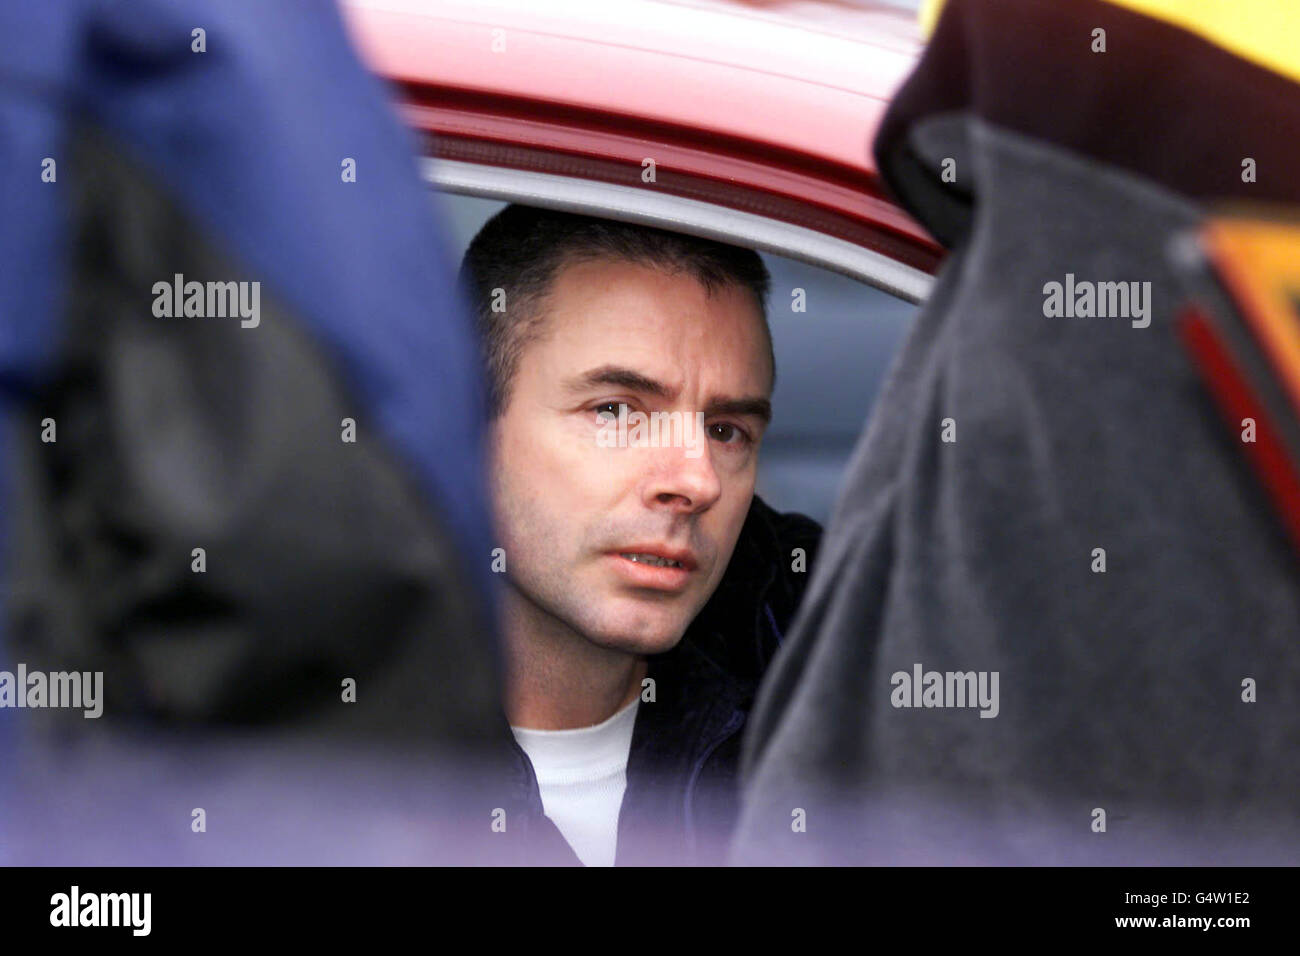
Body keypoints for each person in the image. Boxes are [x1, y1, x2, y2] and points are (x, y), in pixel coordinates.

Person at [459, 205, 821, 865]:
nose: (698, 481)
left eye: (726, 430)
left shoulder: (828, 663)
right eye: (618, 410)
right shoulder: (297, 733)